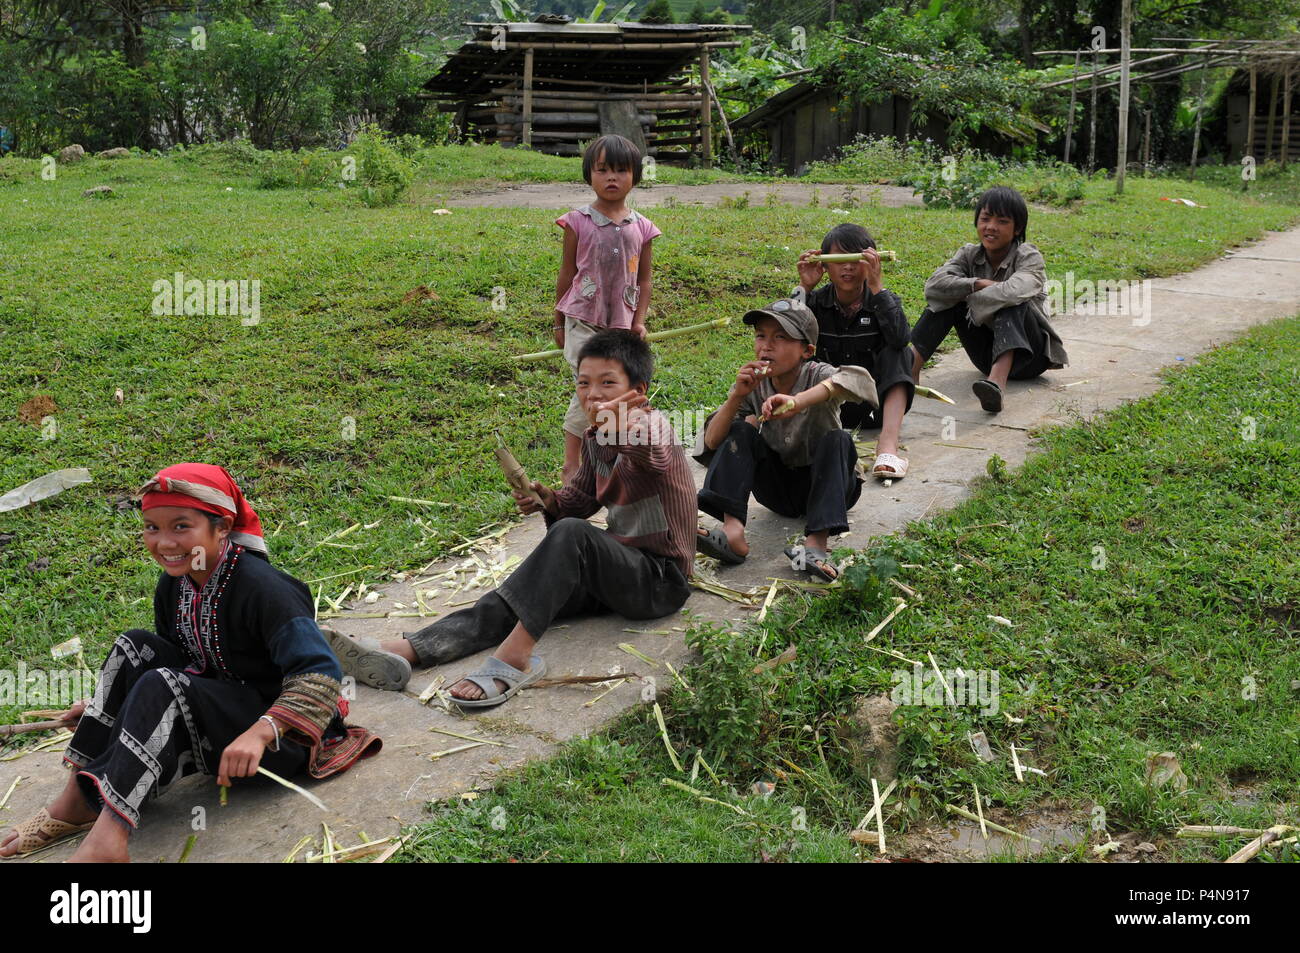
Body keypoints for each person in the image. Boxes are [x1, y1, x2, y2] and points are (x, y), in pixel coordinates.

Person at [0, 464, 381, 862]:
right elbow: (179, 661)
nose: (164, 542)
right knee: (135, 647)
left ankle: (109, 834)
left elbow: (319, 674)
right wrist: (111, 705)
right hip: (222, 716)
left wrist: (261, 732)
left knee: (161, 683)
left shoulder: (266, 590)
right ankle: (77, 797)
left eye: (181, 526)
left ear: (222, 527)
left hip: (277, 743)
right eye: (151, 527)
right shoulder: (174, 583)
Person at [330, 331, 695, 709]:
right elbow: (582, 500)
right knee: (518, 597)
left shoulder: (652, 428)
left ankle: (515, 656)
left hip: (660, 581)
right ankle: (413, 649)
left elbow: (652, 457)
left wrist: (623, 429)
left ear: (639, 390)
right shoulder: (595, 437)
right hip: (619, 574)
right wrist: (548, 500)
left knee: (572, 535)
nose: (594, 394)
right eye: (584, 383)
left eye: (608, 383)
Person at [693, 298, 878, 582]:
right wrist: (736, 398)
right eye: (761, 336)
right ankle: (733, 533)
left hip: (831, 487)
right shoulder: (753, 384)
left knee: (838, 439)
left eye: (780, 337)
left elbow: (861, 382)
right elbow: (712, 441)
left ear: (807, 350)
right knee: (740, 431)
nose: (767, 345)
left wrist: (797, 401)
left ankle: (815, 546)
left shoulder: (817, 374)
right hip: (778, 492)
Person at [554, 134, 661, 482]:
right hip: (581, 318)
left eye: (620, 170)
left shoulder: (643, 228)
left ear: (635, 176)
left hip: (620, 323)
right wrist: (558, 322)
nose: (611, 178)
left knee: (608, 388)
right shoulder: (577, 222)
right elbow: (567, 273)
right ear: (589, 175)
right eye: (602, 170)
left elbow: (644, 280)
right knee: (588, 385)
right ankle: (574, 462)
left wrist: (639, 320)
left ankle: (606, 459)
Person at [910, 186, 1068, 413]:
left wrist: (968, 296)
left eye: (1002, 221)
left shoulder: (1029, 257)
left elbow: (1014, 291)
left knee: (1012, 303)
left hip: (1029, 359)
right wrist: (977, 283)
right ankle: (910, 370)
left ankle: (996, 385)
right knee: (948, 298)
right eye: (985, 219)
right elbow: (933, 287)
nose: (991, 227)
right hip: (984, 356)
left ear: (1017, 228)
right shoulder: (968, 254)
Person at [797, 223, 916, 479]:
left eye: (856, 259)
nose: (848, 267)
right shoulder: (814, 302)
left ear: (870, 262)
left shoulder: (883, 299)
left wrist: (878, 287)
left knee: (900, 352)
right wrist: (803, 288)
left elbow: (900, 338)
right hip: (829, 408)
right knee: (794, 353)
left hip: (874, 407)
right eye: (840, 259)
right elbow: (786, 335)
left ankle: (887, 448)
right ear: (825, 265)